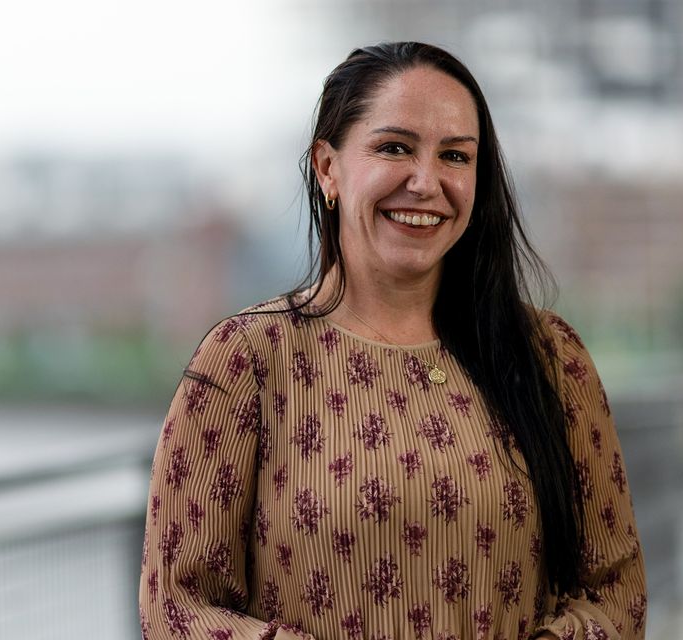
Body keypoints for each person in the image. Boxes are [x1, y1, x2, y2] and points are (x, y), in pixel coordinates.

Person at [138, 42, 646, 640]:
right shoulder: (246, 362)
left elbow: (616, 591)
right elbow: (177, 608)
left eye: (455, 156)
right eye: (395, 148)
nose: (426, 182)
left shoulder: (550, 358)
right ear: (327, 167)